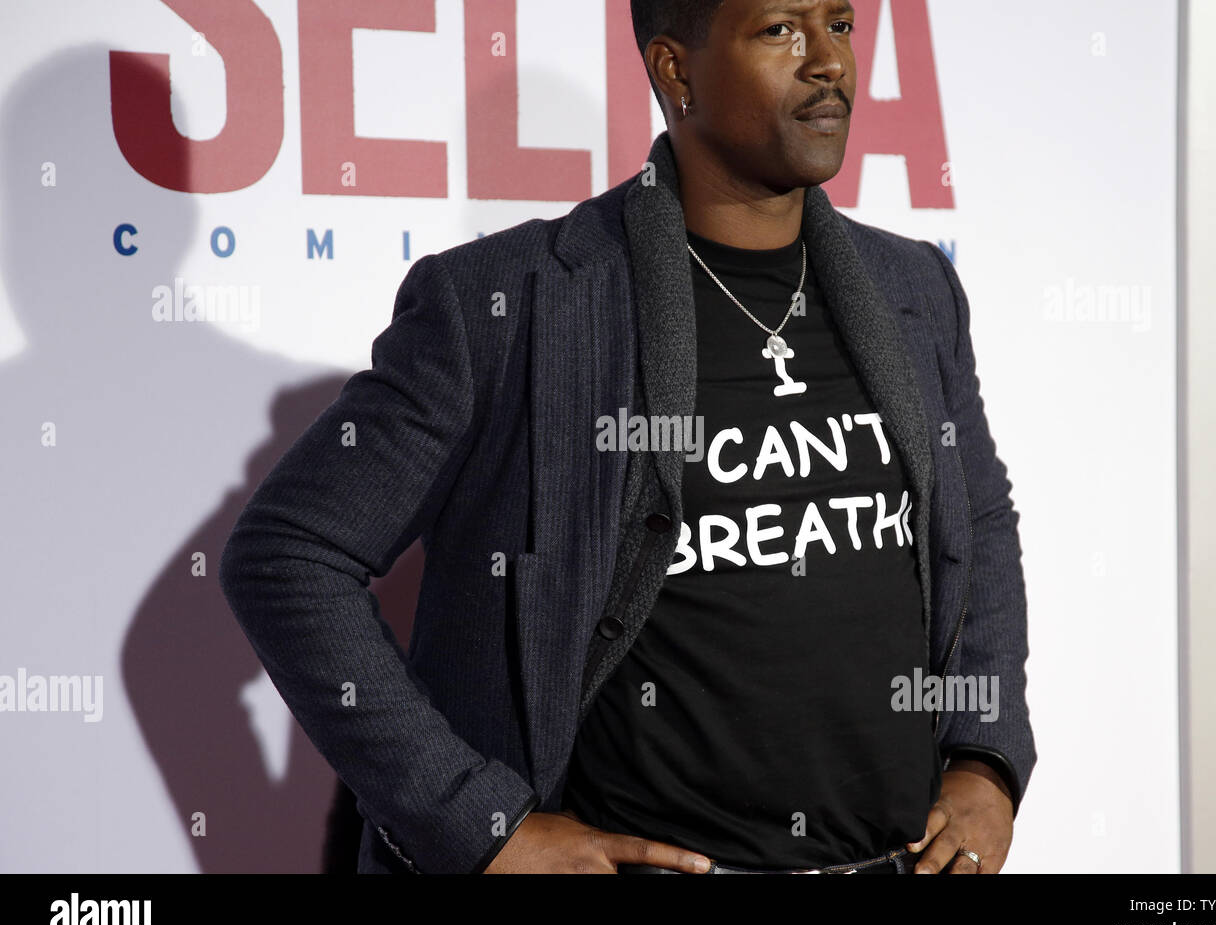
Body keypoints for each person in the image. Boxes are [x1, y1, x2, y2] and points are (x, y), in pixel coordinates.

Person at [219, 0, 1035, 875]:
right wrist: (480, 825)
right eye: (780, 31)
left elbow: (976, 524)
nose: (829, 61)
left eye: (839, 24)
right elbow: (288, 554)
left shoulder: (914, 289)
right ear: (675, 70)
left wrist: (985, 756)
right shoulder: (509, 305)